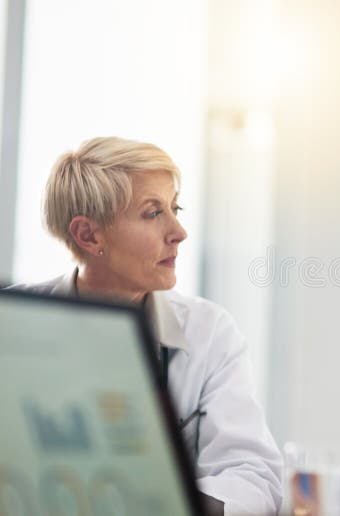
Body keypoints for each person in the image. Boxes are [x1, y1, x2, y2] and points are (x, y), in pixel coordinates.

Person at [10, 137, 282, 515]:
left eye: (175, 207)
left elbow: (253, 478)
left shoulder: (209, 333)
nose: (179, 231)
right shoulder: (12, 325)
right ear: (88, 235)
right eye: (153, 213)